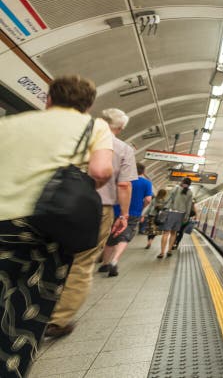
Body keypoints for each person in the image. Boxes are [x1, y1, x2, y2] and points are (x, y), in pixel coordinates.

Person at [0, 75, 113, 376]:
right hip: (44, 227)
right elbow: (102, 169)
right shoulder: (94, 126)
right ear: (87, 106)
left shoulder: (10, 123)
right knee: (26, 310)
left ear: (48, 99)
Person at [47, 108, 136, 337]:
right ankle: (58, 320)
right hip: (97, 208)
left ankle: (34, 304)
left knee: (49, 252)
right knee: (83, 262)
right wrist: (124, 215)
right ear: (121, 128)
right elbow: (124, 185)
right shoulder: (123, 149)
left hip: (52, 202)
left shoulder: (72, 135)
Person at [98, 162, 152, 276]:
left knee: (111, 238)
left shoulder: (122, 179)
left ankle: (105, 265)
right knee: (124, 238)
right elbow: (148, 199)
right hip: (133, 214)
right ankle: (115, 260)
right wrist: (141, 209)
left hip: (115, 211)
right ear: (143, 171)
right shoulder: (147, 183)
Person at [158, 178, 194, 259]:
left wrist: (162, 205)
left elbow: (167, 199)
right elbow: (188, 206)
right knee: (174, 233)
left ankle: (162, 252)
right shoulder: (190, 193)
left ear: (182, 182)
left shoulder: (176, 188)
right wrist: (186, 216)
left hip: (171, 212)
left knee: (166, 233)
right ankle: (169, 250)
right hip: (180, 215)